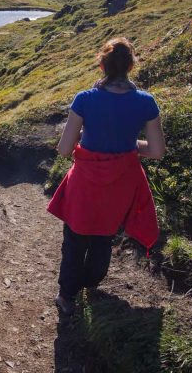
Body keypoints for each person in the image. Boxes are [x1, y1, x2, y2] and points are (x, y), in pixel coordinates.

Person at [47, 37, 166, 316]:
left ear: (102, 65)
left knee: (75, 238)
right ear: (131, 66)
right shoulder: (146, 102)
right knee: (104, 236)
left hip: (86, 179)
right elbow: (157, 150)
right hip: (122, 180)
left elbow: (65, 149)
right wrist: (131, 144)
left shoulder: (85, 99)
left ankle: (67, 297)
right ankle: (92, 283)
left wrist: (84, 135)